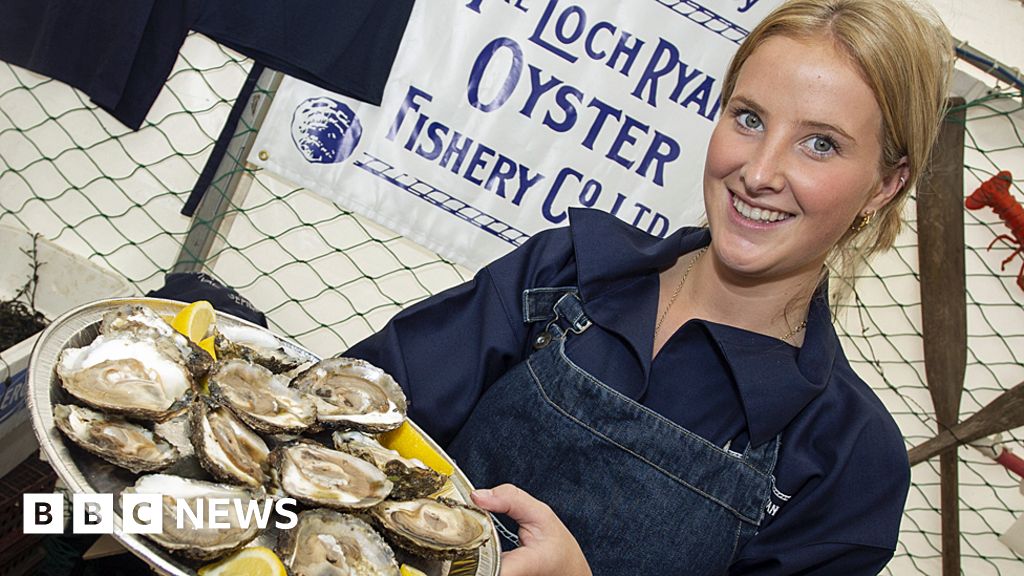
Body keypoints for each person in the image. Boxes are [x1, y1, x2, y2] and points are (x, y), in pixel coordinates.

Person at [344, 0, 954, 574]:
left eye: (820, 145)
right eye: (749, 119)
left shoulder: (848, 457)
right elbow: (351, 418)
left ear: (885, 185)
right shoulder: (566, 273)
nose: (759, 172)